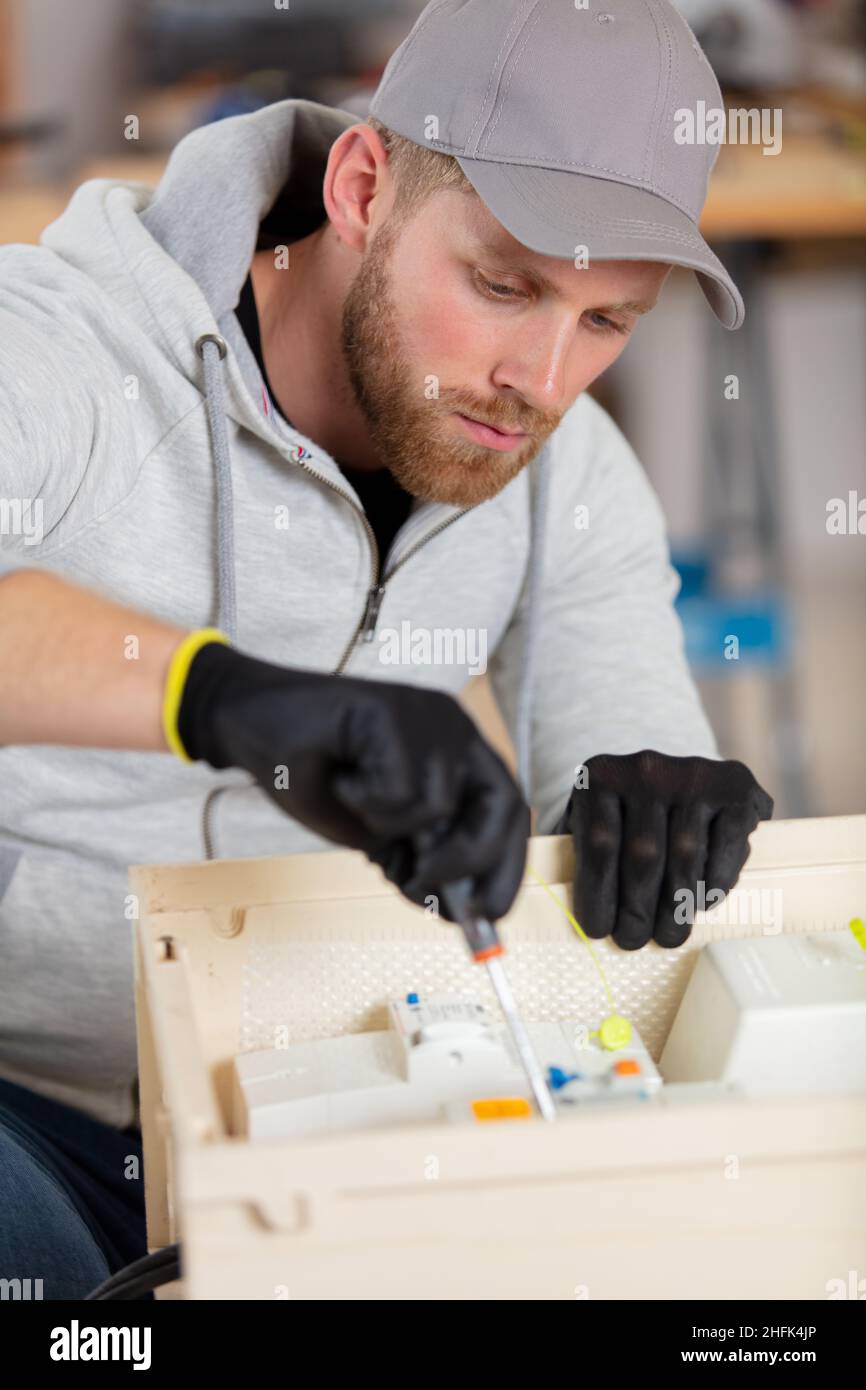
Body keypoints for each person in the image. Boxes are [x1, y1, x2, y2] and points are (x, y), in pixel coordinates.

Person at [0, 0, 771, 1297]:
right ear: (361, 187)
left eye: (605, 321)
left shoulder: (558, 462)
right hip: (24, 1095)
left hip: (315, 1108)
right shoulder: (63, 347)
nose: (538, 376)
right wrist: (222, 695)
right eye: (504, 284)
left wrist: (658, 804)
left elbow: (617, 720)